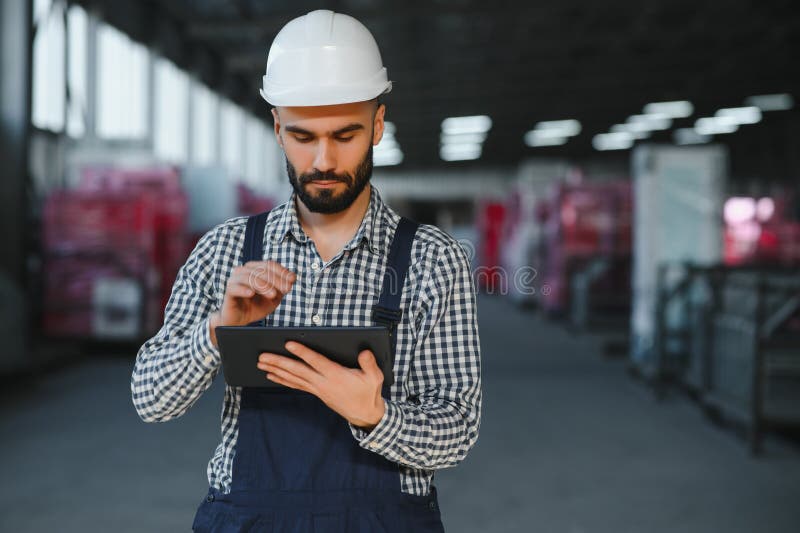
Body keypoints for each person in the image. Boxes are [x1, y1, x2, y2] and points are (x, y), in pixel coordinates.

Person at [131, 9, 481, 533]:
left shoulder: (434, 260)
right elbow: (150, 401)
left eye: (345, 135)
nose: (322, 160)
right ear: (276, 128)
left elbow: (458, 426)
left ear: (378, 126)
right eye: (302, 136)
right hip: (249, 519)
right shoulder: (225, 250)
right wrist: (216, 334)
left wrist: (375, 415)